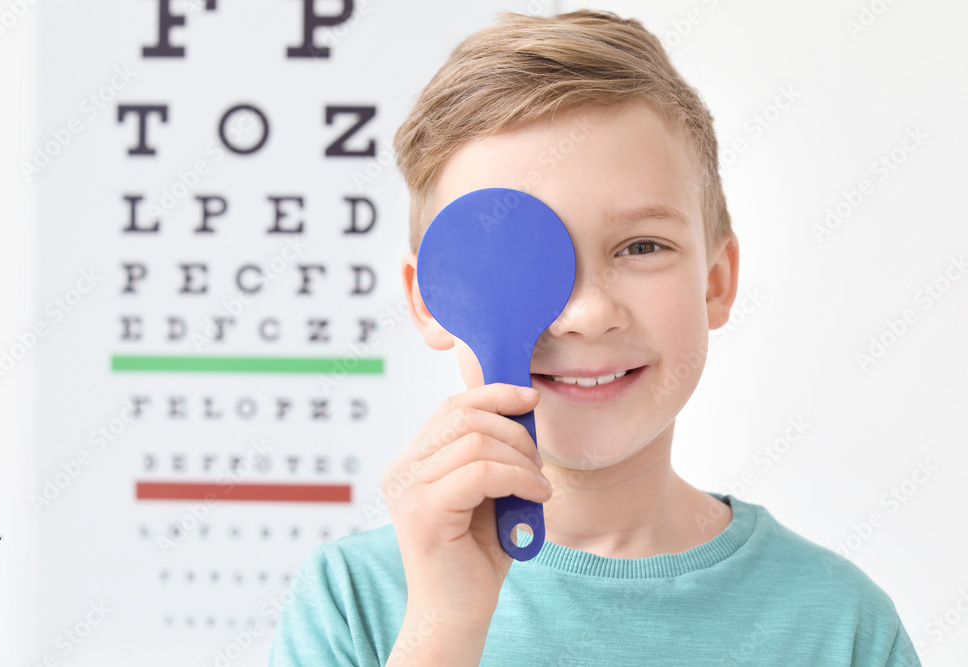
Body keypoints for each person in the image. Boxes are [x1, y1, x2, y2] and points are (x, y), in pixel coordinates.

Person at [269, 10, 921, 666]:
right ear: (432, 298)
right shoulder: (353, 601)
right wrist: (444, 625)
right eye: (511, 257)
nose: (585, 312)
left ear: (717, 280)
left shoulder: (841, 626)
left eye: (641, 245)